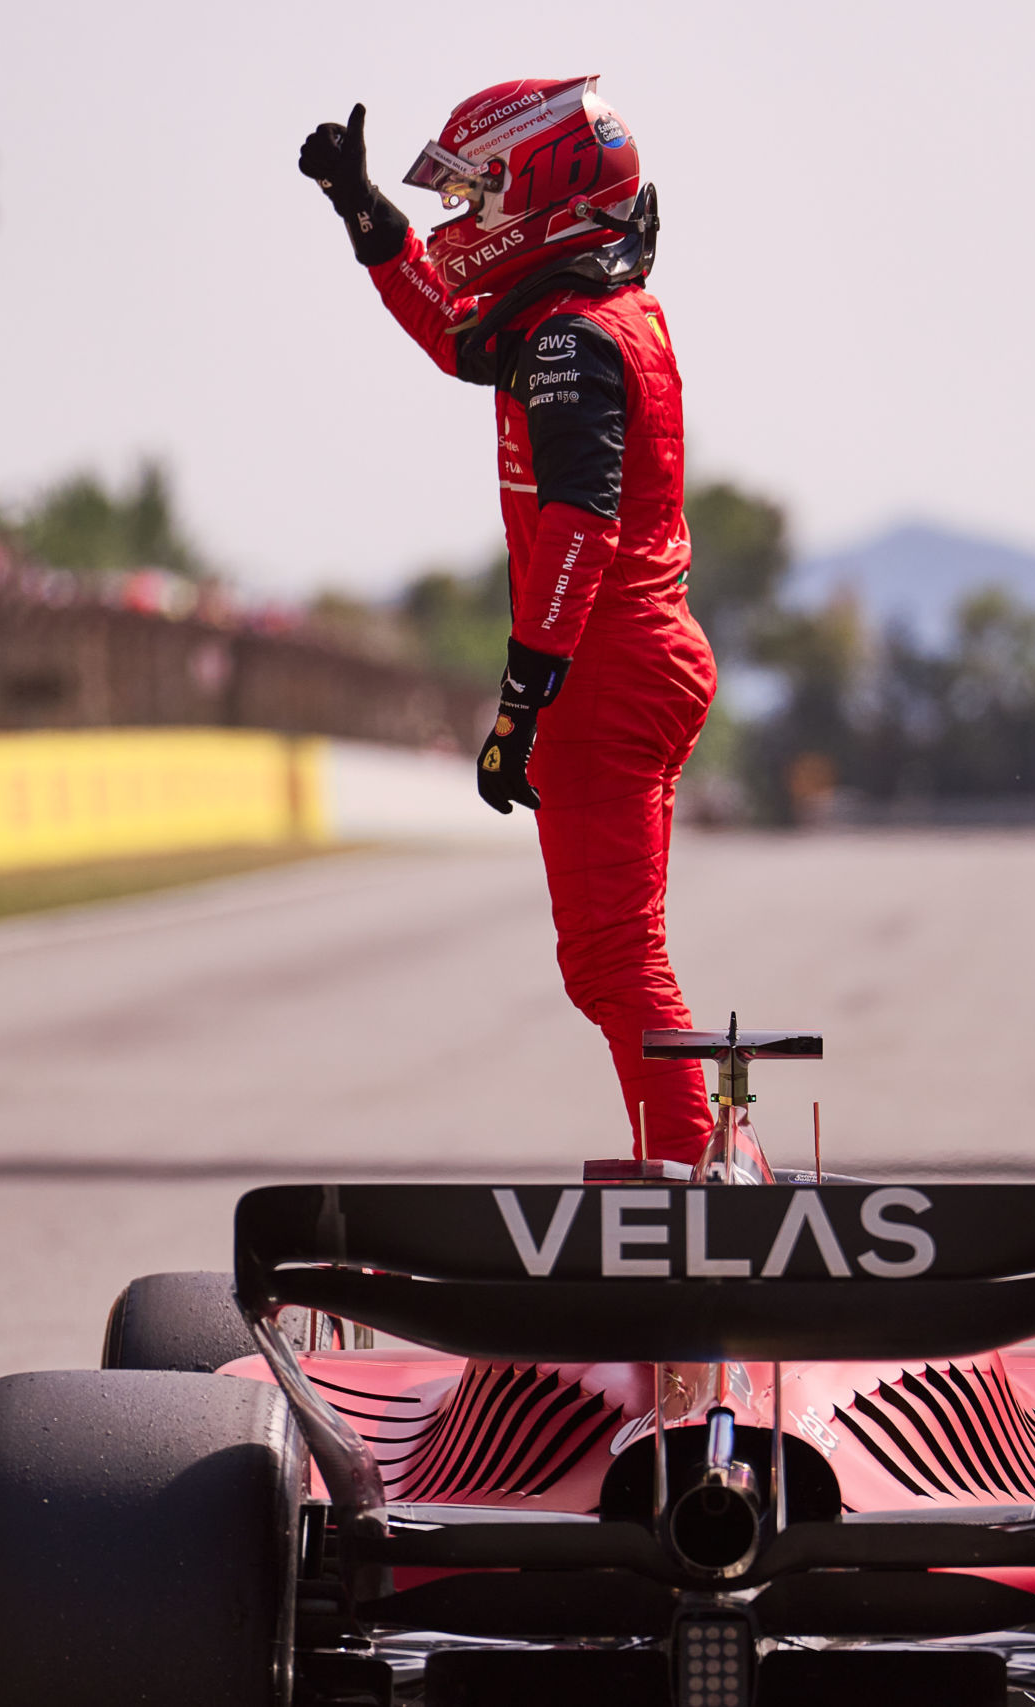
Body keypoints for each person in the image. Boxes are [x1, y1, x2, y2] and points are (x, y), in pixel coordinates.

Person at [299, 79, 716, 1167]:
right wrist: (364, 213)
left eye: (481, 194)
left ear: (547, 194)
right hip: (650, 653)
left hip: (605, 667)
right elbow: (455, 334)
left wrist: (521, 704)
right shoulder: (590, 317)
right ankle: (696, 1170)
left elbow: (581, 532)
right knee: (624, 956)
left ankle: (693, 1193)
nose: (464, 218)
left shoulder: (572, 339)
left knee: (613, 963)